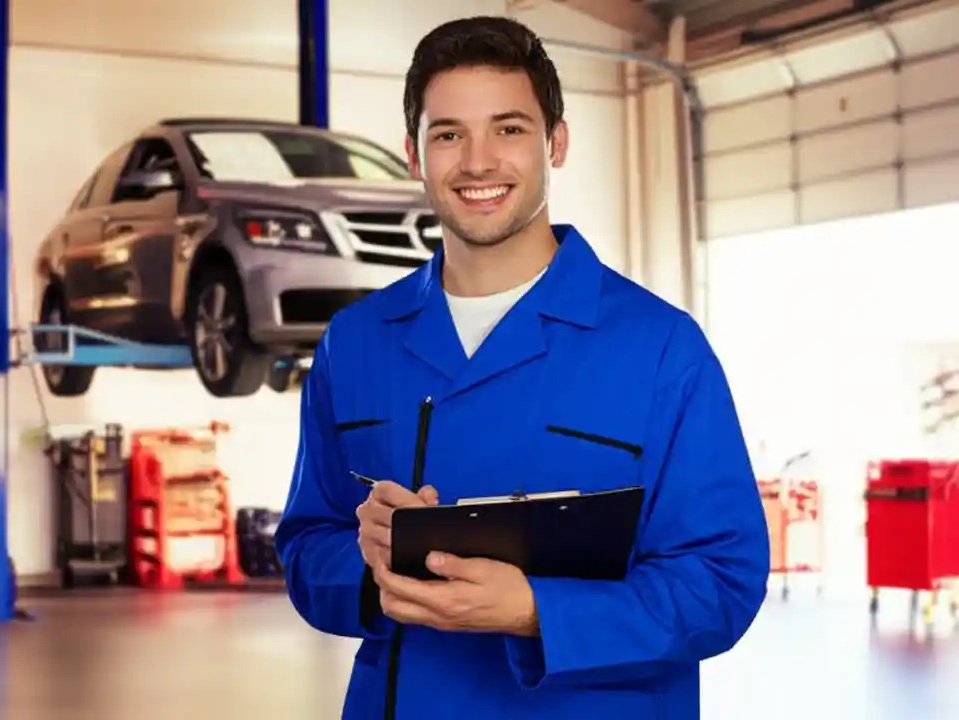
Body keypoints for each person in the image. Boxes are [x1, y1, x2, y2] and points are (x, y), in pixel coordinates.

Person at [273, 14, 770, 720]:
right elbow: (305, 545)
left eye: (508, 129)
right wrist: (372, 566)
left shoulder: (661, 348)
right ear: (414, 153)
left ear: (555, 142)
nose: (478, 162)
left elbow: (720, 582)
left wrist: (539, 610)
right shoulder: (354, 343)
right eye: (448, 134)